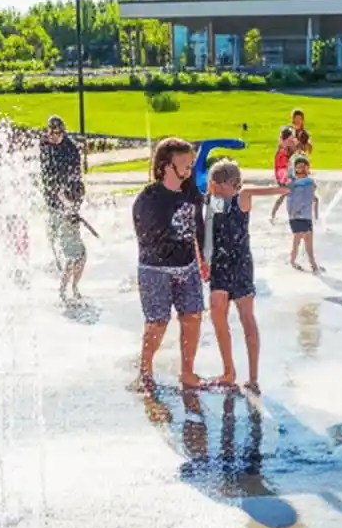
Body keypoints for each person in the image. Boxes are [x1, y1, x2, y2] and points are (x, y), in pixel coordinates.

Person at [201, 159, 288, 394]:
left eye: (221, 184)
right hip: (219, 265)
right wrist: (204, 260)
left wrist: (288, 186)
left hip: (240, 265)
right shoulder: (212, 201)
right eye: (213, 184)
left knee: (246, 318)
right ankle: (228, 371)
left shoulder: (242, 198)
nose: (216, 188)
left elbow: (265, 190)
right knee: (218, 315)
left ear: (234, 184)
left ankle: (253, 377)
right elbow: (207, 233)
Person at [132, 137, 207, 389]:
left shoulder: (191, 191)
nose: (189, 170)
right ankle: (145, 372)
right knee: (158, 322)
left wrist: (204, 257)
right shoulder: (149, 198)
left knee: (193, 316)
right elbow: (146, 237)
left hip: (187, 266)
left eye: (190, 164)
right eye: (184, 164)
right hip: (155, 268)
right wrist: (170, 255)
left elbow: (199, 225)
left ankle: (187, 372)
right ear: (166, 165)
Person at [39, 116, 87, 303]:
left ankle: (69, 288)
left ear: (63, 132)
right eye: (50, 132)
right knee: (55, 242)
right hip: (54, 204)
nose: (53, 136)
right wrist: (58, 194)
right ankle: (65, 288)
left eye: (57, 133)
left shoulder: (70, 150)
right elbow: (48, 177)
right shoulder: (45, 147)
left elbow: (74, 178)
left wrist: (71, 202)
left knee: (74, 252)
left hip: (69, 204)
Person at [269, 154, 320, 273]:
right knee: (305, 237)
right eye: (299, 167)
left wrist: (316, 215)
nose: (302, 169)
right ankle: (313, 264)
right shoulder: (292, 184)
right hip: (296, 216)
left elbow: (314, 199)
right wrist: (273, 212)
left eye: (304, 167)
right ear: (295, 169)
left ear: (308, 168)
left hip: (306, 217)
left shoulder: (309, 183)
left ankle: (293, 261)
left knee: (301, 241)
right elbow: (281, 198)